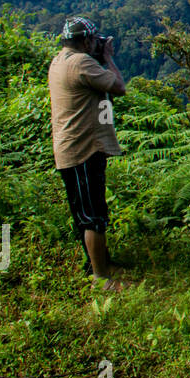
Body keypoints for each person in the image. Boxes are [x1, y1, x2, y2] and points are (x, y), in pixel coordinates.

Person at [48, 16, 129, 291]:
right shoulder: (82, 63)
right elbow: (119, 87)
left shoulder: (60, 60)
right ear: (85, 41)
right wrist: (108, 58)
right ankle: (101, 279)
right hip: (83, 150)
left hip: (69, 149)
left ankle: (97, 263)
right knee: (93, 215)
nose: (96, 44)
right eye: (93, 40)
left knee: (85, 212)